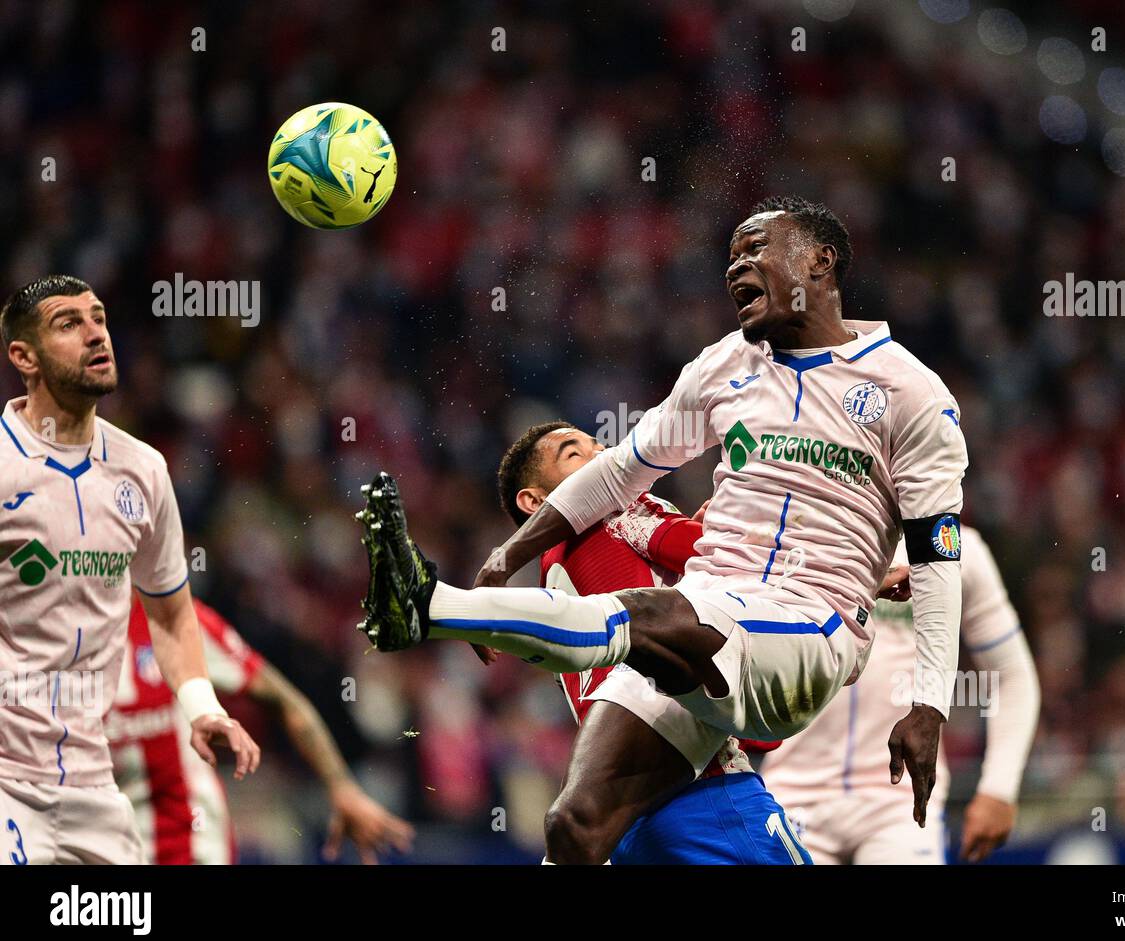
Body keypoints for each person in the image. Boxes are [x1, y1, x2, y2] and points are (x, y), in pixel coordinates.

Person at [359, 196, 968, 827]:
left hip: (809, 627)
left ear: (820, 261)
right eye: (731, 257)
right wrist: (506, 554)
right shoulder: (724, 365)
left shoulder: (910, 392)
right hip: (710, 606)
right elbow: (622, 470)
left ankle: (427, 609)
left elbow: (938, 557)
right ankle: (432, 609)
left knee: (646, 615)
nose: (736, 269)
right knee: (575, 822)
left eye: (757, 250)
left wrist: (929, 704)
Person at [0, 275, 258, 865]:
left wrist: (201, 708)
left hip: (96, 787)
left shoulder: (143, 470)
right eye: (69, 324)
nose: (96, 335)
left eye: (99, 318)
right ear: (24, 357)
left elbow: (170, 614)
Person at [496, 422, 804, 864]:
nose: (603, 456)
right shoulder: (613, 514)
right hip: (702, 791)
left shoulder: (556, 570)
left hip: (623, 813)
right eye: (574, 454)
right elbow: (739, 564)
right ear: (535, 500)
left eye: (600, 444)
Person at [762, 528, 1040, 864]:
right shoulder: (804, 523)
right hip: (790, 791)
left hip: (901, 803)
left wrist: (999, 788)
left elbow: (1010, 676)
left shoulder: (955, 547)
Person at [108, 594, 415, 864]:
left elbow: (286, 702)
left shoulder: (180, 621)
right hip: (96, 842)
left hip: (189, 844)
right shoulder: (63, 634)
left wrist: (341, 787)